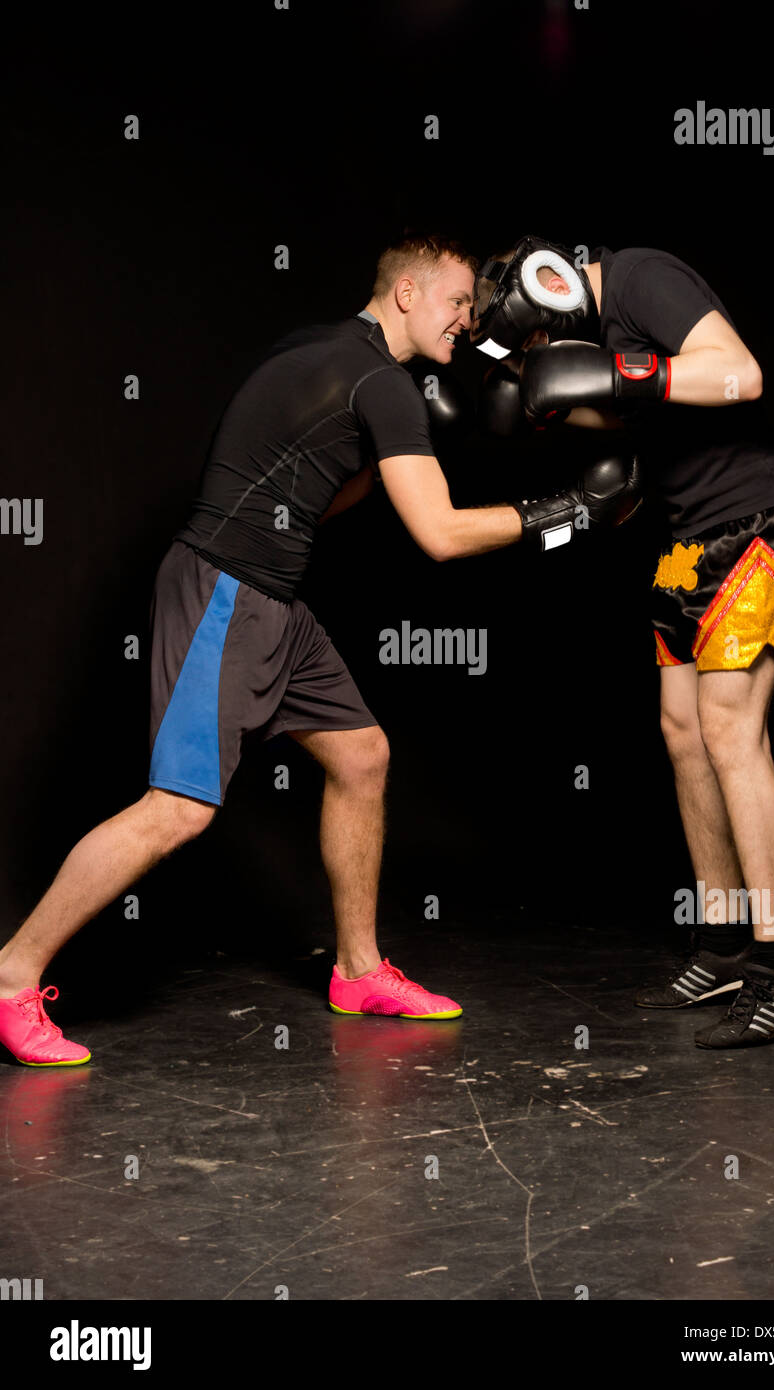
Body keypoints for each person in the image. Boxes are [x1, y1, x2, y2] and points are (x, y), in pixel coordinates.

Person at [0, 232, 640, 1066]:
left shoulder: (325, 351)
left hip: (271, 599)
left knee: (362, 755)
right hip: (226, 593)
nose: (467, 319)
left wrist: (394, 453)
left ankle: (359, 970)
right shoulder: (383, 385)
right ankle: (13, 974)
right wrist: (566, 516)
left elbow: (300, 493)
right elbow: (440, 537)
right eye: (455, 304)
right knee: (179, 811)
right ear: (407, 294)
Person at [472, 235, 774, 1048]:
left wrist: (626, 373)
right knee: (682, 732)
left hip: (757, 520)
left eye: (531, 340)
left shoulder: (643, 279)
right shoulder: (592, 340)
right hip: (685, 541)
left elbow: (740, 372)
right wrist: (543, 404)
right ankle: (726, 941)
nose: (541, 353)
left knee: (732, 729)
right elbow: (632, 420)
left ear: (549, 286)